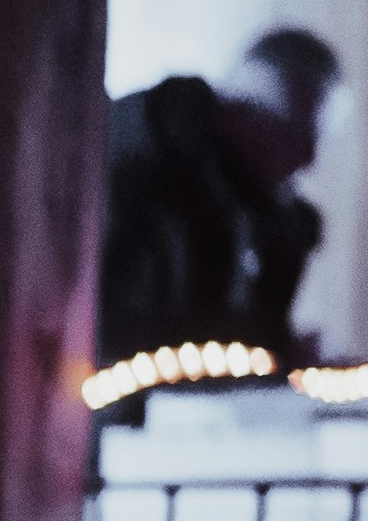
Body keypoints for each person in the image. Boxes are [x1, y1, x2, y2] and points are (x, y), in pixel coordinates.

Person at [102, 28, 340, 370]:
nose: (307, 160)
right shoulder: (147, 181)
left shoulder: (268, 221)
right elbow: (115, 335)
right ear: (241, 112)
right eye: (293, 135)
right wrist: (267, 349)